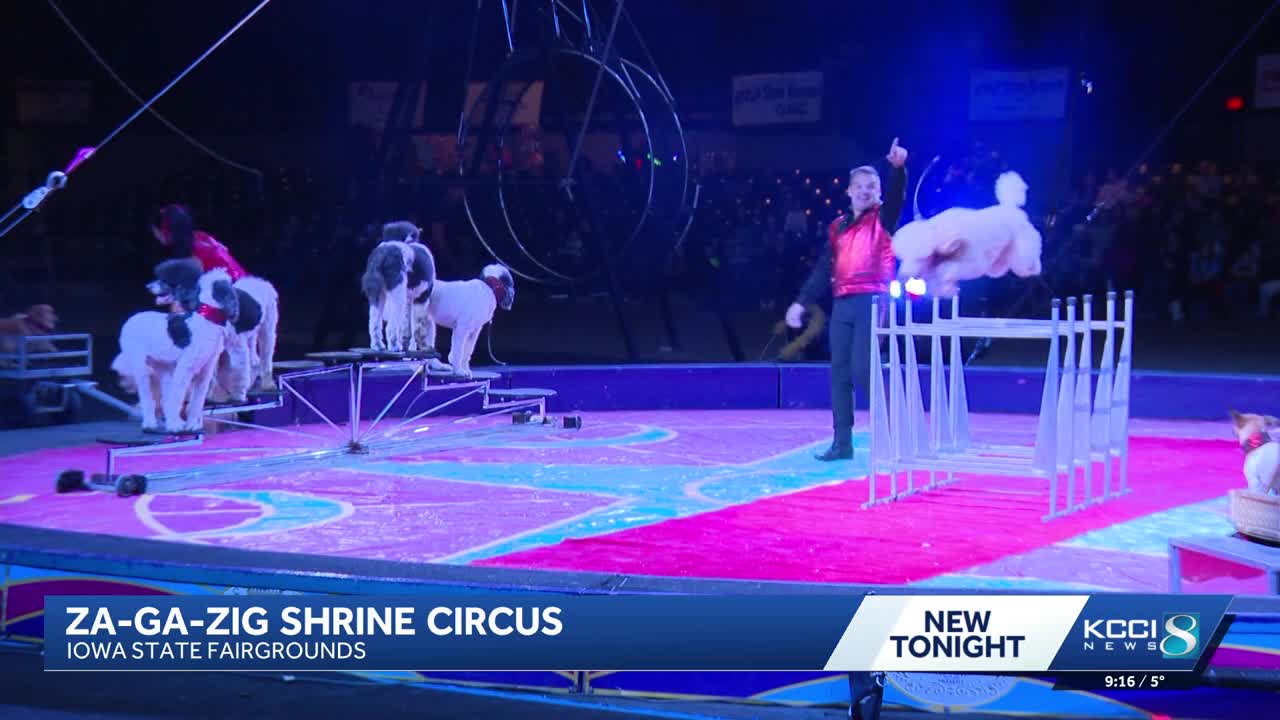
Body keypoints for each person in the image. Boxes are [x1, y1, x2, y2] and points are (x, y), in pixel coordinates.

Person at [785, 138, 908, 461]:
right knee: (838, 371)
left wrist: (898, 171)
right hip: (842, 305)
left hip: (872, 300)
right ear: (849, 191)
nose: (865, 191)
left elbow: (896, 197)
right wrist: (801, 302)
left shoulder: (883, 218)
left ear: (878, 192)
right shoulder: (837, 227)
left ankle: (895, 435)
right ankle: (842, 443)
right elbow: (824, 267)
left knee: (864, 369)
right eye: (860, 187)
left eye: (872, 187)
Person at [152, 204, 247, 282]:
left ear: (165, 230)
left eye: (155, 231)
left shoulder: (191, 252)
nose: (156, 236)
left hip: (231, 294)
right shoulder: (201, 236)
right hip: (244, 285)